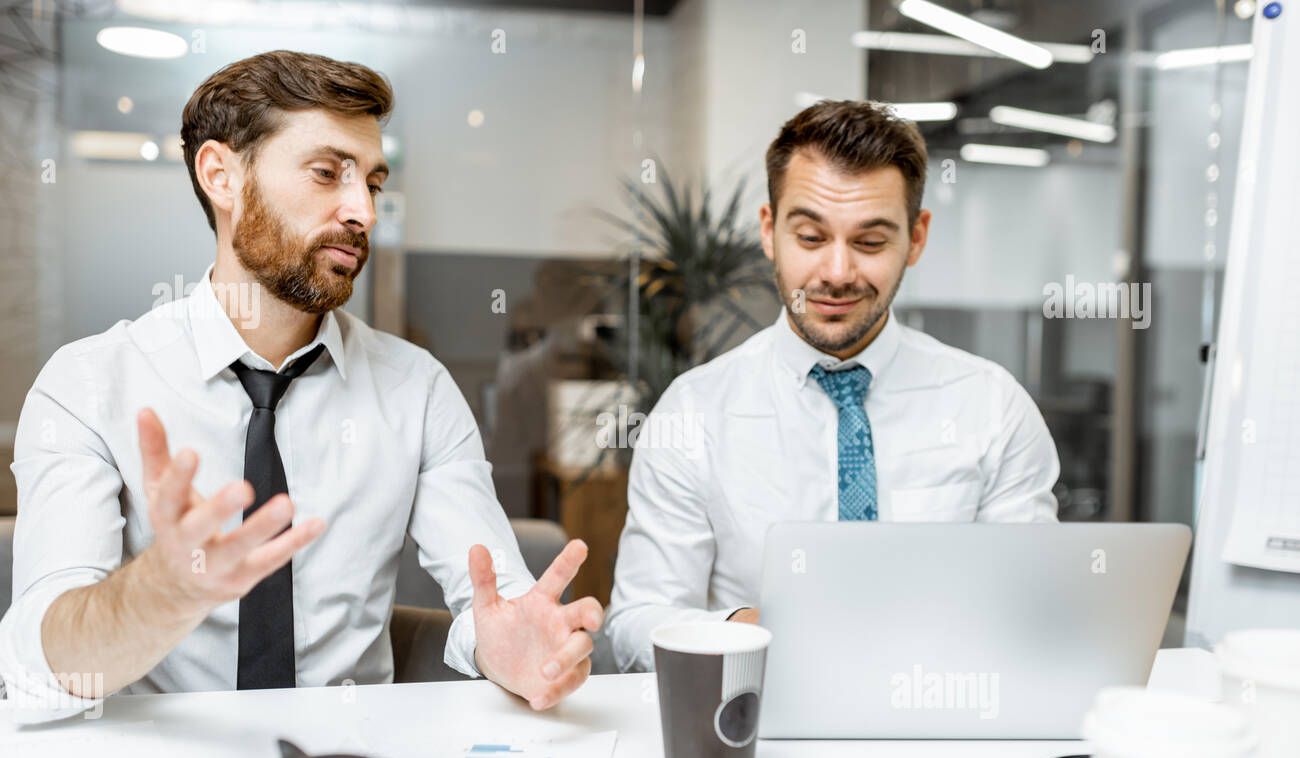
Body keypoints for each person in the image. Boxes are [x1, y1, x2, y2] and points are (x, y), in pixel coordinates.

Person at [0, 50, 601, 723]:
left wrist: (508, 648)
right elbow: (34, 670)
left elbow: (495, 602)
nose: (363, 211)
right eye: (326, 173)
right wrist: (158, 592)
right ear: (221, 175)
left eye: (372, 182)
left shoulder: (417, 391)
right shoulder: (87, 385)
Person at [605, 100, 1061, 672]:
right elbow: (636, 621)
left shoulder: (992, 406)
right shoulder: (693, 414)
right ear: (770, 231)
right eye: (811, 236)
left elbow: (1035, 607)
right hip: (758, 726)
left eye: (870, 242)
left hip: (944, 721)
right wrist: (748, 630)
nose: (839, 273)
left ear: (916, 238)